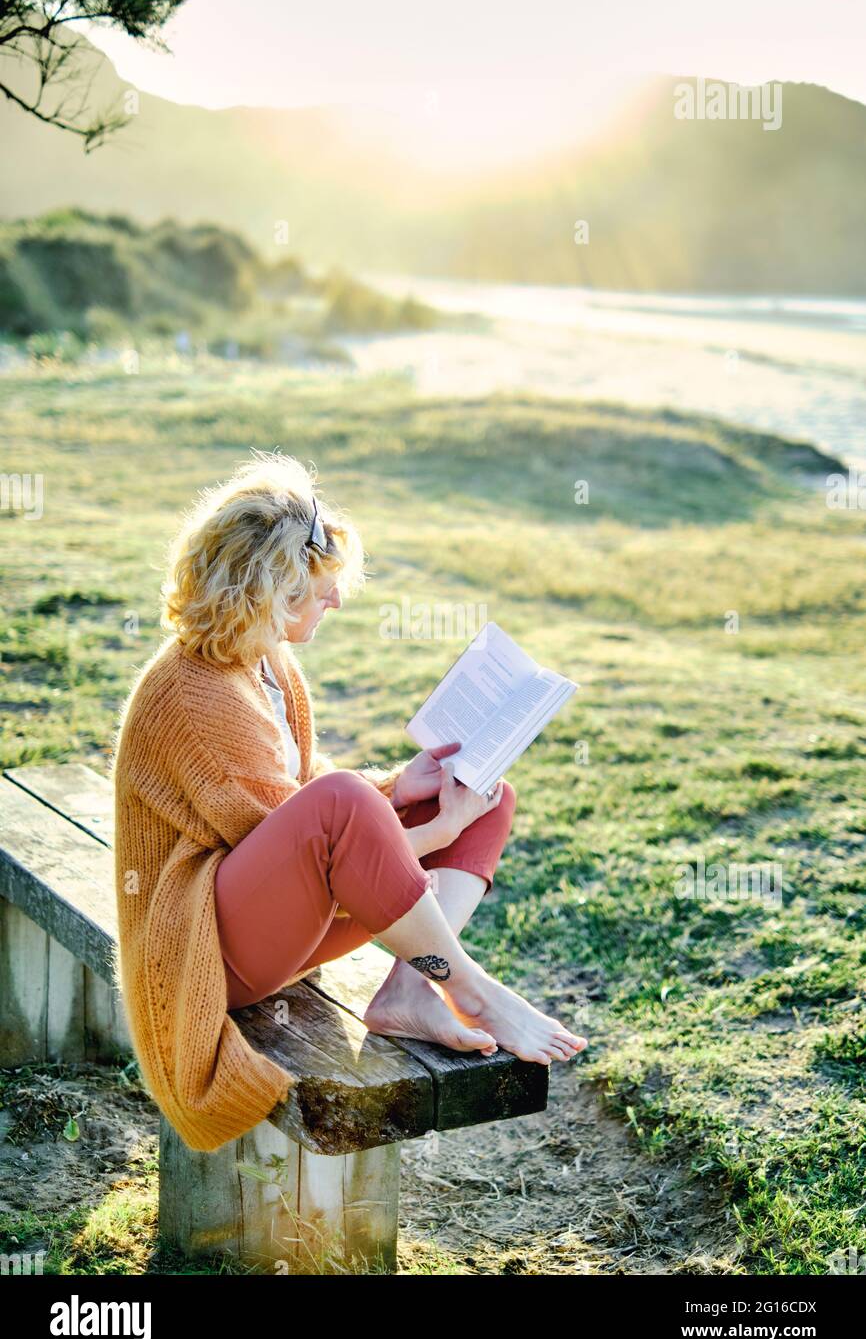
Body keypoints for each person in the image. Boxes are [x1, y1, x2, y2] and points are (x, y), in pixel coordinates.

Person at [113, 452, 585, 1151]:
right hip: (211, 952)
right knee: (355, 804)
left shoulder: (267, 658)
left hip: (275, 916)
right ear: (267, 586)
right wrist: (424, 829)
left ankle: (410, 990)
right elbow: (304, 836)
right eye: (321, 586)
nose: (336, 600)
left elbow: (298, 798)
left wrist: (405, 788)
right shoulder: (193, 691)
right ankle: (471, 988)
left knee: (486, 794)